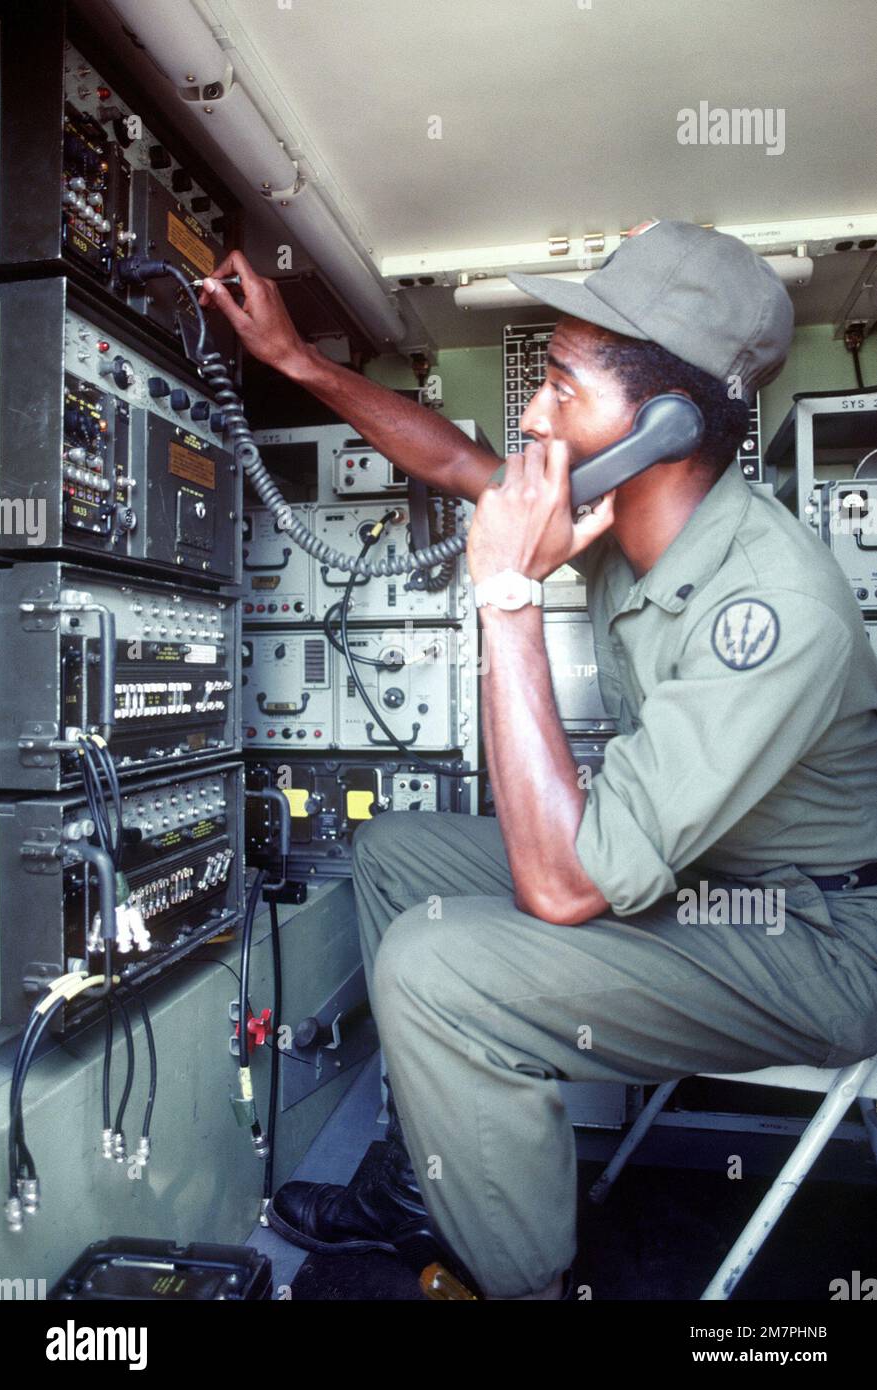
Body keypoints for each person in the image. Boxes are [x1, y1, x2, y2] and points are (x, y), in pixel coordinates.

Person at [202, 221, 877, 1300]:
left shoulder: (772, 604)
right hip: (710, 882)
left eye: (560, 385)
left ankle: (519, 1281)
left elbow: (562, 888)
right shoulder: (642, 513)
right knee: (397, 854)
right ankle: (433, 1180)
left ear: (661, 424)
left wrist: (507, 595)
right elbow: (464, 464)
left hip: (814, 934)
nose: (528, 412)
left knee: (437, 966)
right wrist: (297, 362)